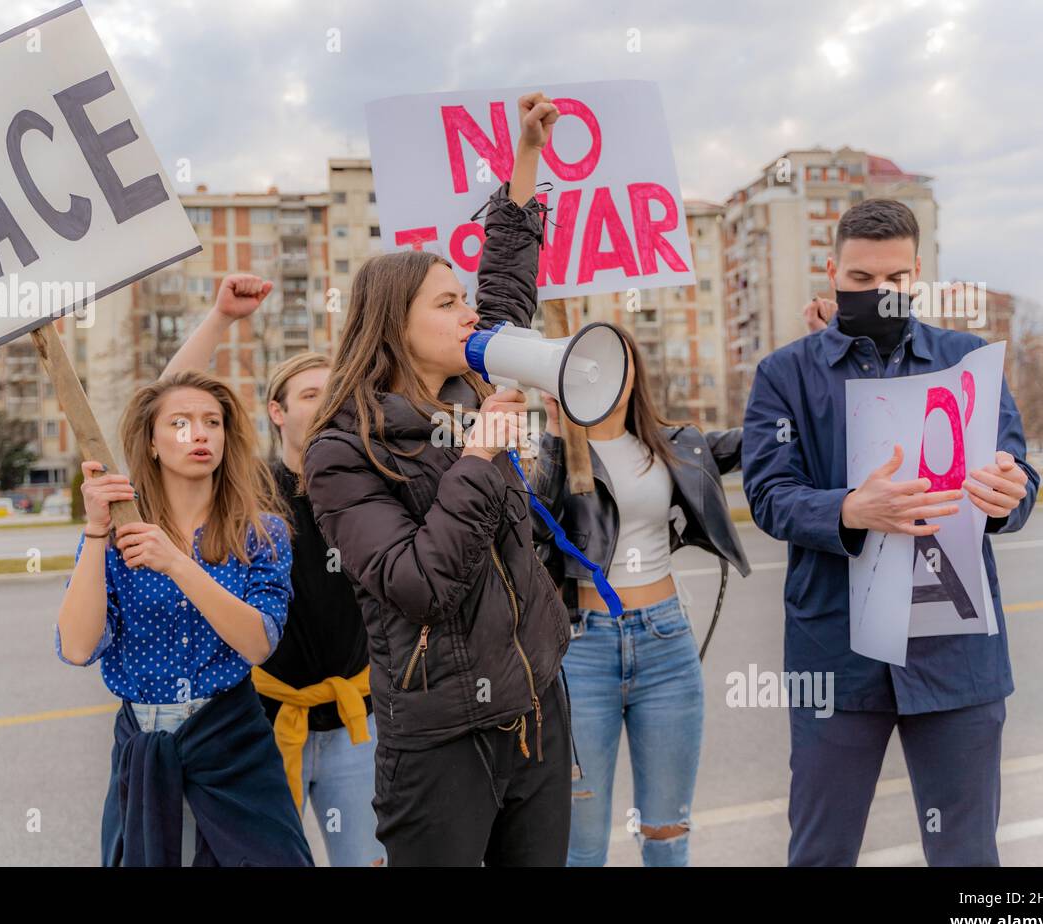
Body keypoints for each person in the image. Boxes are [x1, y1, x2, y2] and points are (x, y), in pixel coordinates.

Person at [302, 92, 576, 866]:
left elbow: (510, 275)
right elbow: (417, 583)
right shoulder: (340, 449)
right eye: (449, 303)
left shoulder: (474, 384)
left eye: (466, 301)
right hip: (440, 740)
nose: (471, 317)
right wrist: (480, 459)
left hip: (534, 708)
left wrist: (527, 155)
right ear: (395, 324)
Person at [741, 198, 1039, 866]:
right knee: (821, 852)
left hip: (957, 657)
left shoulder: (967, 361)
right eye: (860, 280)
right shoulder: (783, 375)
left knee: (966, 855)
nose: (879, 294)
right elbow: (768, 496)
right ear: (831, 273)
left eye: (895, 281)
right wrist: (850, 510)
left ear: (918, 273)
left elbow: (1017, 480)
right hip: (837, 659)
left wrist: (1007, 495)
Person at [54, 368, 312, 867]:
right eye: (179, 423)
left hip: (232, 741)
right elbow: (76, 647)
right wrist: (94, 531)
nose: (199, 434)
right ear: (150, 443)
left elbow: (258, 643)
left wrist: (175, 561)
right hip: (144, 749)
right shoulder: (116, 536)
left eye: (211, 422)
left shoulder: (263, 533)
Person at [164, 309, 384, 867]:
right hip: (263, 726)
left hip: (357, 722)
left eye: (336, 392)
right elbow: (167, 402)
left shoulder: (370, 486)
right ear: (277, 412)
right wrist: (218, 319)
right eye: (310, 394)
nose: (326, 402)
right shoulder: (246, 492)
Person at [528, 325, 751, 866]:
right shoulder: (553, 453)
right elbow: (535, 526)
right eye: (594, 362)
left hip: (665, 643)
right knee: (580, 844)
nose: (611, 374)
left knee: (667, 833)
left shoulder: (676, 444)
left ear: (634, 377)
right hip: (582, 650)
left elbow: (761, 436)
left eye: (621, 362)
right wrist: (558, 431)